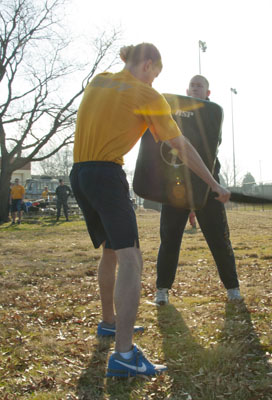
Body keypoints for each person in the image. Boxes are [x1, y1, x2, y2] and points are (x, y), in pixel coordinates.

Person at [70, 43, 230, 378]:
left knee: (111, 251)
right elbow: (182, 147)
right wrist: (214, 185)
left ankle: (109, 324)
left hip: (80, 174)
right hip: (106, 174)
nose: (155, 83)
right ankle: (125, 356)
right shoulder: (147, 95)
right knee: (133, 259)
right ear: (147, 65)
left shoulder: (99, 81)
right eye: (154, 75)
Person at [155, 75, 242, 305]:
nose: (195, 88)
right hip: (176, 185)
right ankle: (162, 290)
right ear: (186, 90)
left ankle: (233, 288)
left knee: (219, 238)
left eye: (199, 85)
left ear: (207, 93)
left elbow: (209, 144)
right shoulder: (173, 116)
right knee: (170, 238)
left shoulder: (213, 116)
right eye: (192, 85)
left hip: (207, 183)